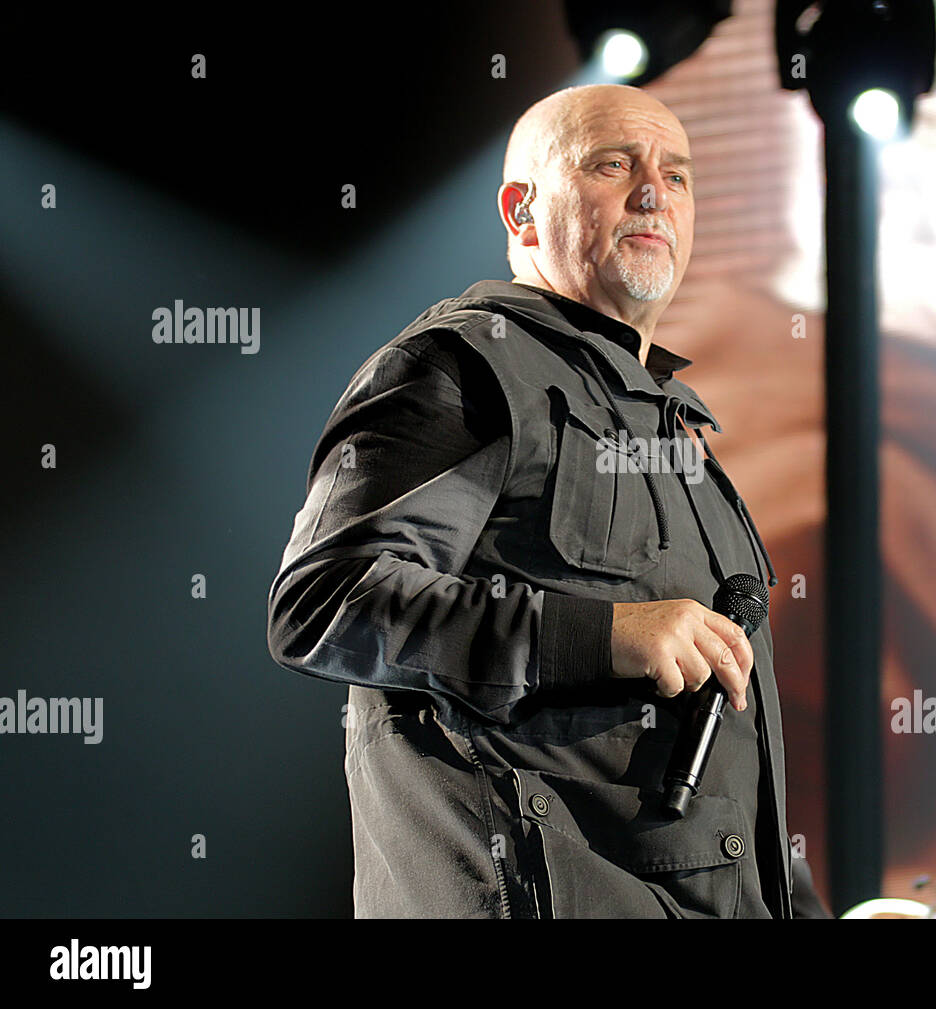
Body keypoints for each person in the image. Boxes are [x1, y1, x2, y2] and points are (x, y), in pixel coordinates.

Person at [266, 83, 830, 918]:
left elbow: (725, 764)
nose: (653, 191)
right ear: (521, 210)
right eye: (613, 164)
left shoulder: (680, 440)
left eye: (677, 176)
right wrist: (597, 636)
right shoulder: (463, 367)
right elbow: (324, 603)